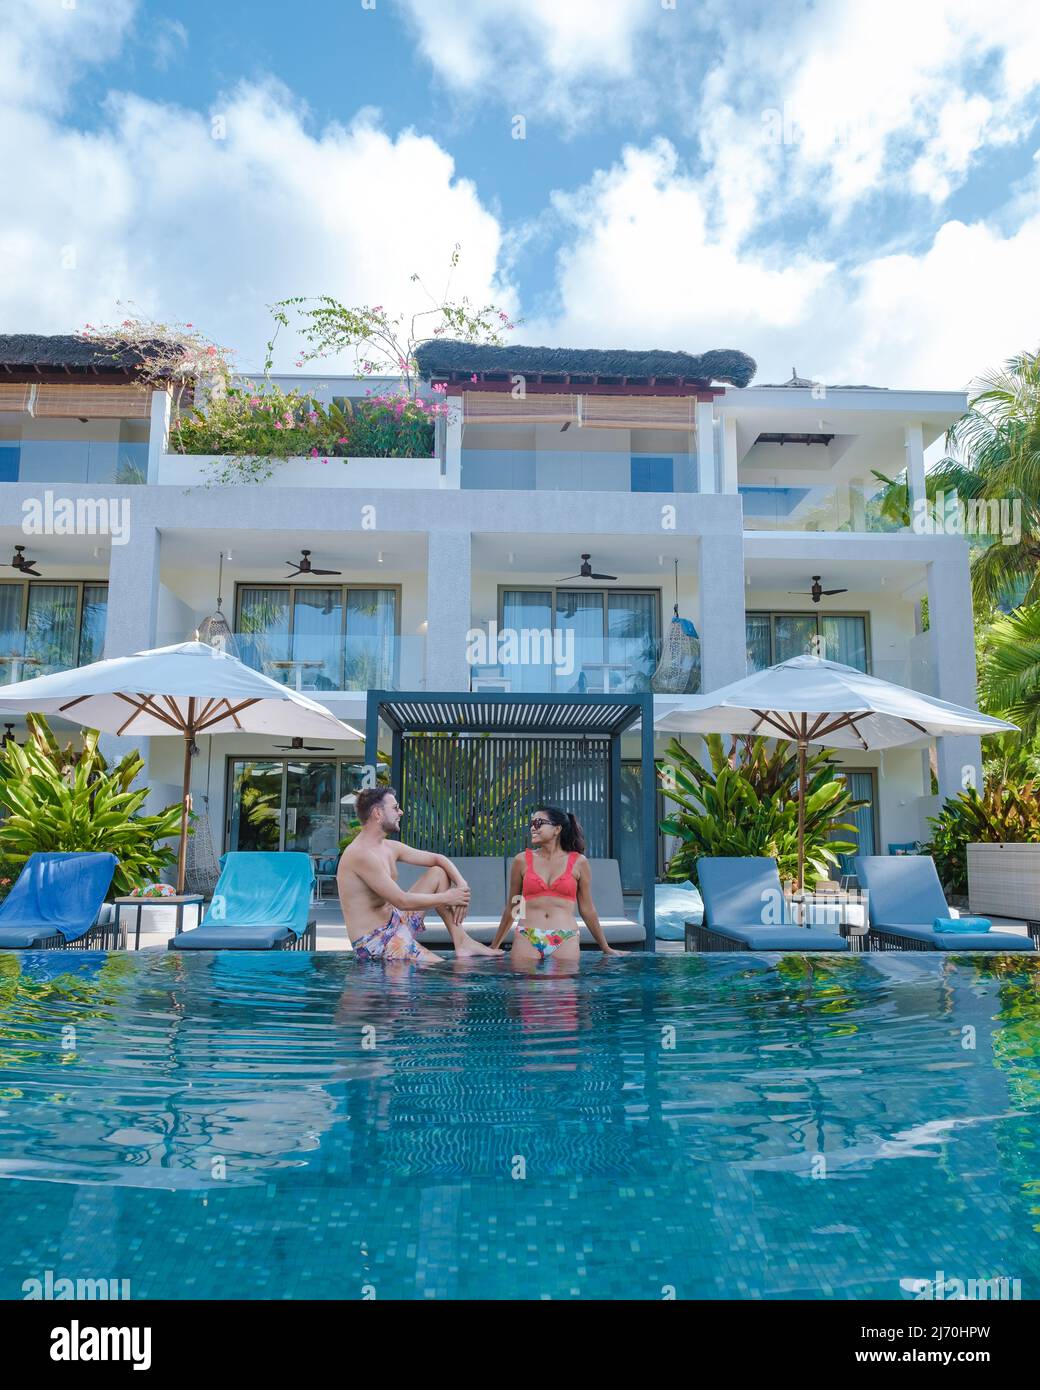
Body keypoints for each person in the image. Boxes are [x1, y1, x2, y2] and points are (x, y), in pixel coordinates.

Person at [337, 787, 499, 964]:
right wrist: (448, 897)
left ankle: (462, 941)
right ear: (377, 813)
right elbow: (402, 901)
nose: (401, 812)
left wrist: (462, 886)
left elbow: (438, 859)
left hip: (396, 920)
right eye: (395, 807)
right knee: (439, 966)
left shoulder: (389, 847)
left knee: (438, 873)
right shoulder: (360, 854)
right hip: (376, 942)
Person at [491, 807, 621, 961]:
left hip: (565, 936)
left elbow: (587, 909)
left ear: (557, 829)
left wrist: (605, 947)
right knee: (524, 984)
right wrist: (494, 947)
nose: (533, 827)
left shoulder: (579, 862)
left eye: (539, 823)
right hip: (528, 935)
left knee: (563, 984)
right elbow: (514, 907)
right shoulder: (522, 860)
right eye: (532, 823)